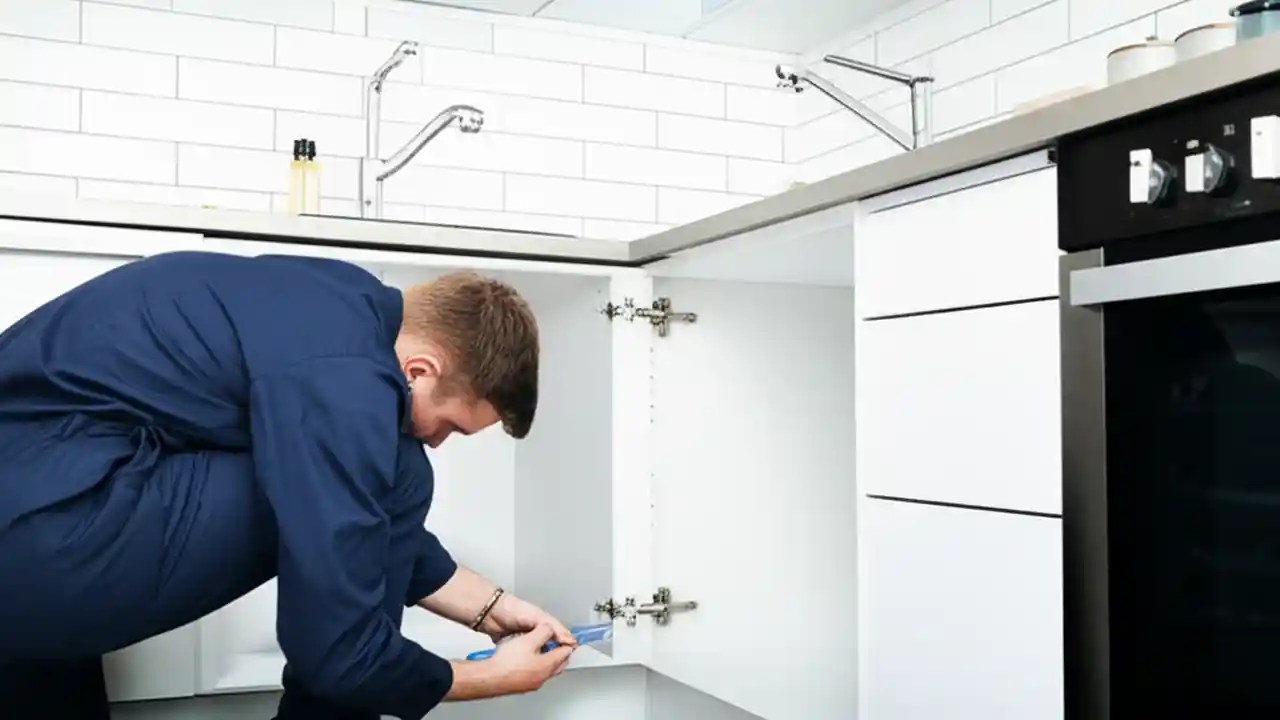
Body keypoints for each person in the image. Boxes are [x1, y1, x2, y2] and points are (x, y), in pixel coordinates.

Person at [0, 250, 577, 719]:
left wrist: (493, 610)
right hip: (38, 537)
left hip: (36, 518)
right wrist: (488, 678)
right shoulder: (345, 376)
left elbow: (337, 493)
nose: (439, 441)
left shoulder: (336, 307)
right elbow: (335, 643)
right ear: (420, 370)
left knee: (357, 466)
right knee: (400, 465)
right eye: (450, 424)